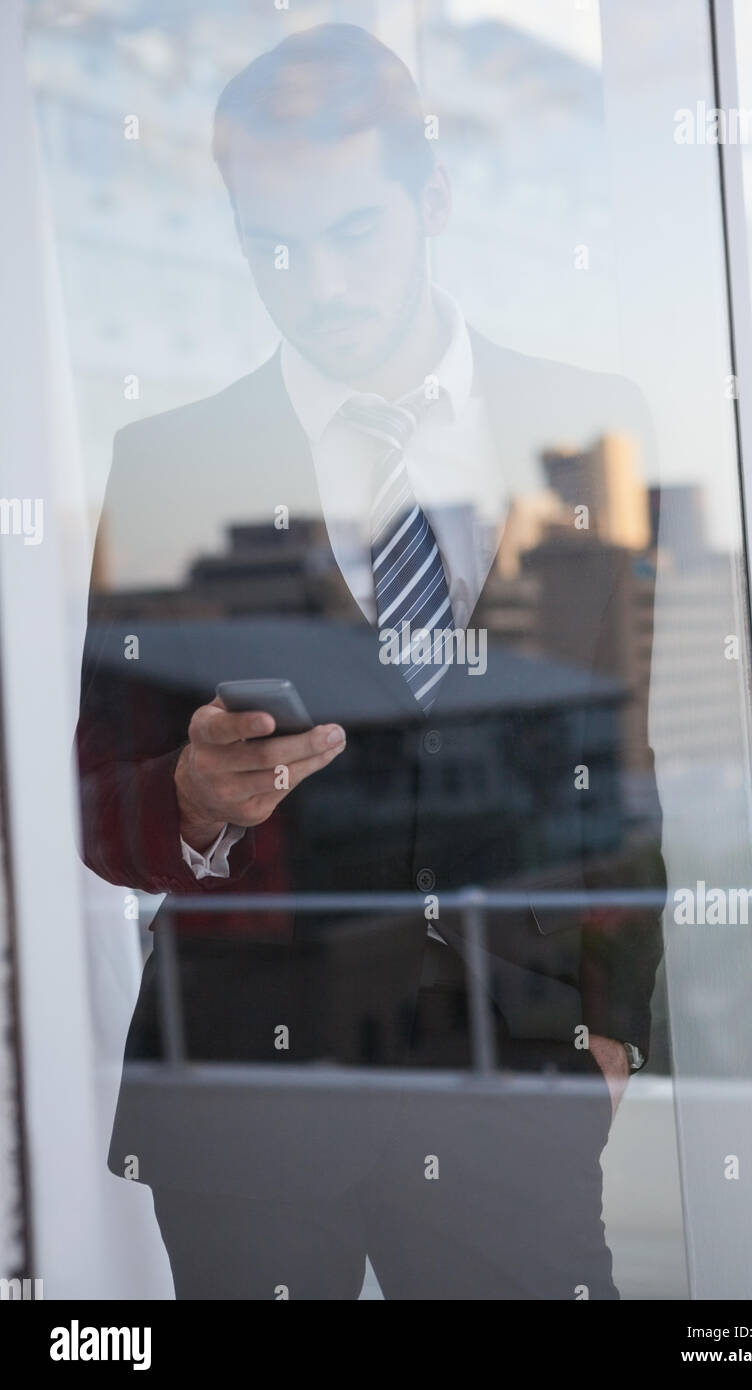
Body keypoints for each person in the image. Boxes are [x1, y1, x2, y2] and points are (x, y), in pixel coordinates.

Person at [76, 22, 666, 1300]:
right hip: (246, 1096)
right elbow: (95, 797)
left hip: (514, 1078)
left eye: (352, 235)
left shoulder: (589, 432)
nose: (317, 285)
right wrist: (185, 801)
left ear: (434, 198)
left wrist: (609, 1026)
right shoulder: (166, 464)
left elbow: (622, 762)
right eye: (271, 248)